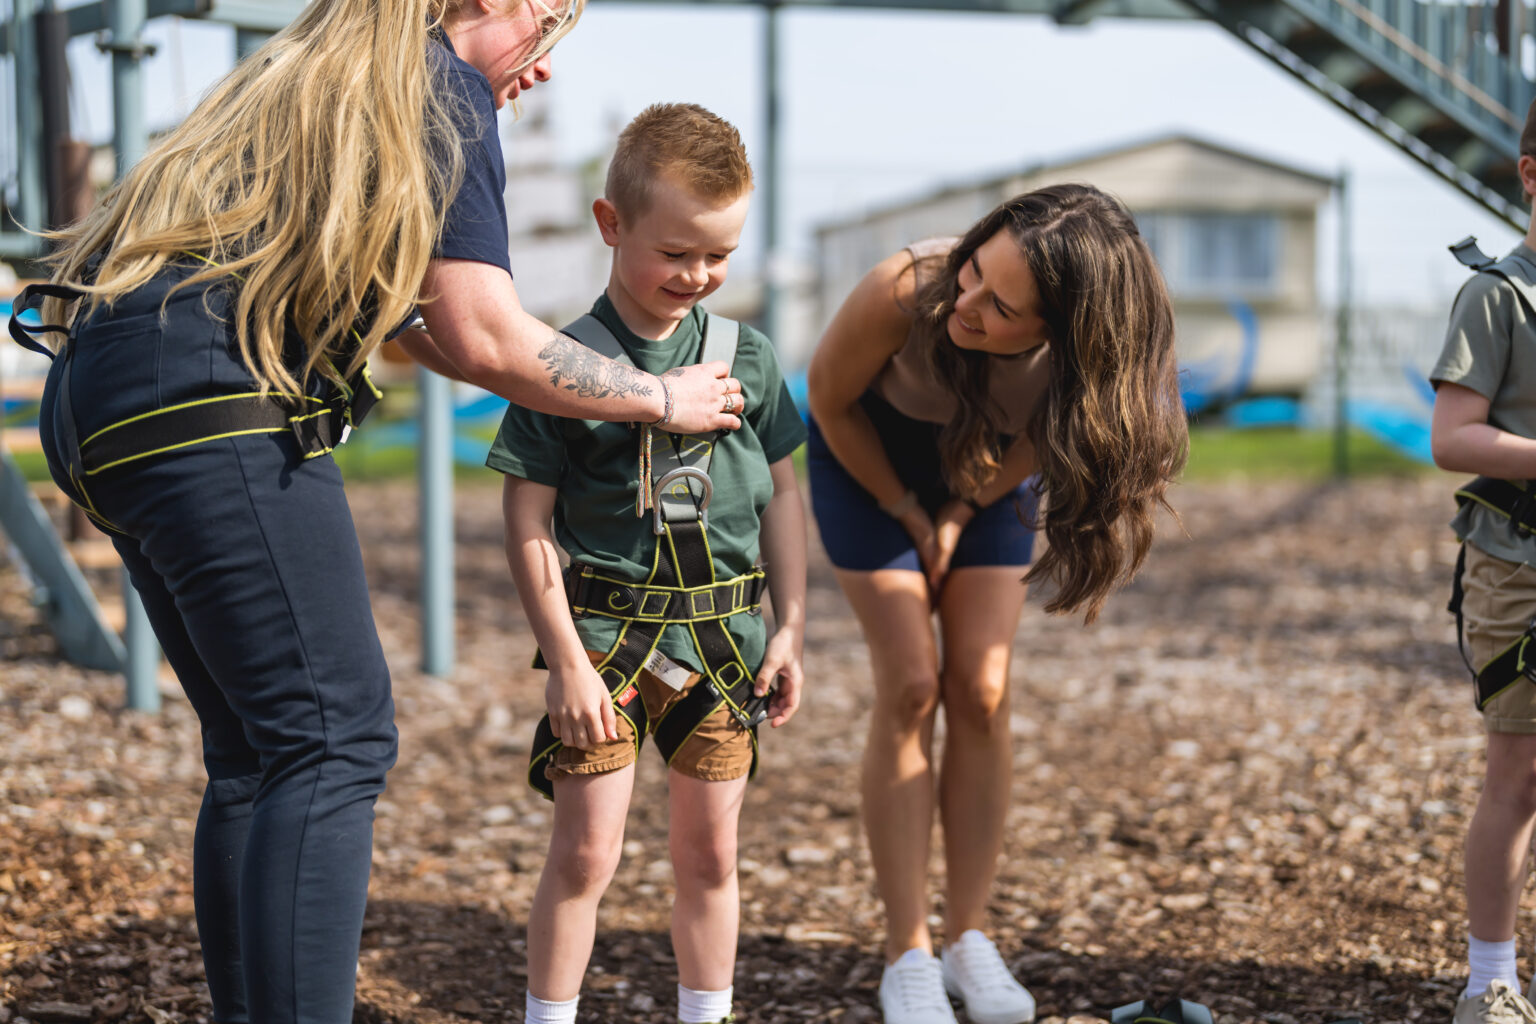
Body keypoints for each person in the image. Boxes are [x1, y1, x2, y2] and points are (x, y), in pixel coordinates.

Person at [7, 5, 748, 1024]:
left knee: (257, 752)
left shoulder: (322, 75)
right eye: (542, 23)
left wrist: (572, 380)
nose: (541, 64)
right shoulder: (441, 87)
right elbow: (486, 333)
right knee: (332, 740)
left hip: (99, 398)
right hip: (210, 402)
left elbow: (433, 331)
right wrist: (659, 396)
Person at [805, 184, 1187, 1024]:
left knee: (981, 689)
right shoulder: (908, 289)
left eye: (1001, 306)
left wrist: (959, 509)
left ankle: (967, 939)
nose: (967, 302)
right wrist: (910, 512)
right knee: (913, 685)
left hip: (981, 475)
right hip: (862, 462)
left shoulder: (1088, 368)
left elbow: (1045, 441)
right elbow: (826, 400)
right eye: (975, 269)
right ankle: (907, 953)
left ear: (1061, 331)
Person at [487, 103, 807, 1024]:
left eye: (719, 255)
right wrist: (567, 664)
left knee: (711, 856)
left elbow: (784, 496)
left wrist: (791, 626)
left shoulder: (749, 358)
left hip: (725, 647)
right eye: (674, 252)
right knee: (586, 855)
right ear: (610, 223)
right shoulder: (559, 366)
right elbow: (526, 518)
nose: (696, 275)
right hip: (603, 649)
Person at [1430, 100, 1536, 1024]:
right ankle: (1490, 981)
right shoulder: (1497, 296)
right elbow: (1453, 437)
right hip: (1521, 568)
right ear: (1530, 175)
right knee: (1521, 773)